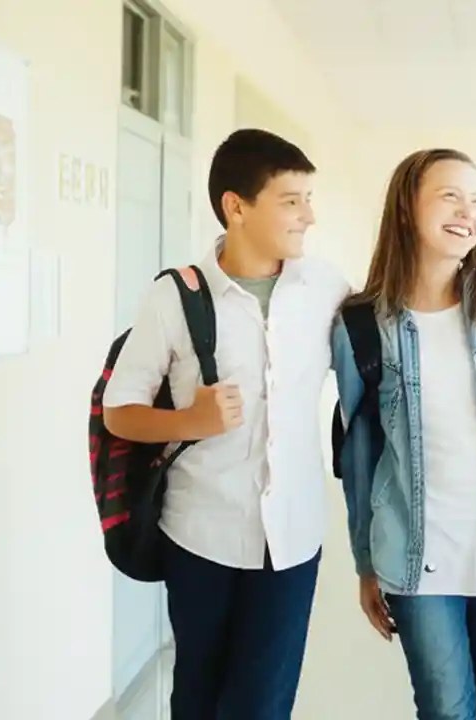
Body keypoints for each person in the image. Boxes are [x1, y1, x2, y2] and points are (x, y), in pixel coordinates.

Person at [102, 128, 350, 718]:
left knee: (262, 703)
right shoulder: (177, 297)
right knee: (196, 696)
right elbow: (119, 411)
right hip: (199, 536)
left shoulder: (326, 289)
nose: (308, 216)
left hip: (291, 540)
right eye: (292, 200)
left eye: (309, 198)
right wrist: (191, 418)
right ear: (236, 207)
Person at [332, 148, 476, 720]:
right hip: (418, 556)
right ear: (407, 208)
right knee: (444, 709)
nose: (468, 212)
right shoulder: (361, 322)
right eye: (450, 196)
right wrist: (364, 562)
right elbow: (360, 453)